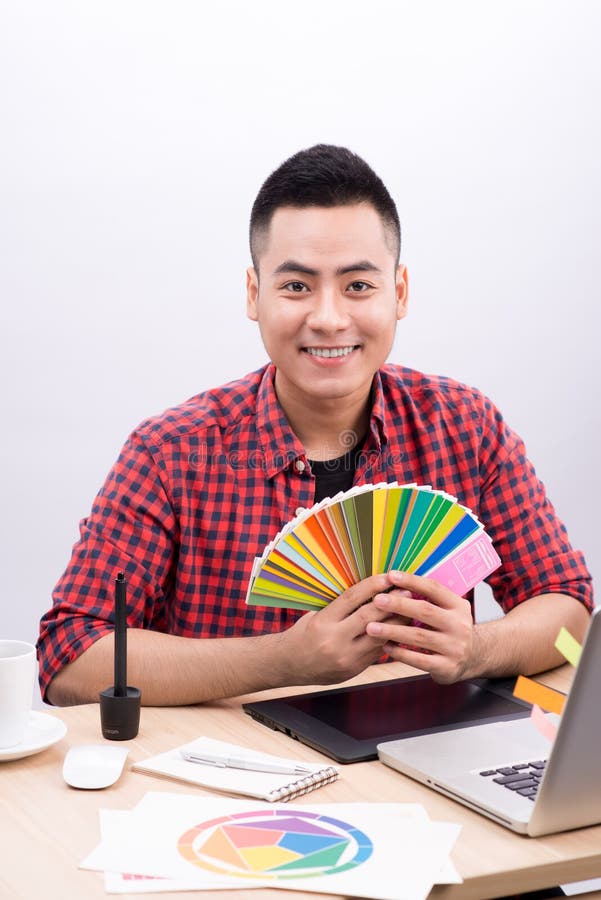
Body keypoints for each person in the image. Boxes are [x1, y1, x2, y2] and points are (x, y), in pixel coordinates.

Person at [38, 144, 593, 707]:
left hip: (418, 763)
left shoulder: (465, 427)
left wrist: (476, 648)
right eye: (297, 286)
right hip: (228, 777)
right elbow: (69, 656)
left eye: (357, 286)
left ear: (398, 293)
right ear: (255, 295)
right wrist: (280, 659)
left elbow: (568, 607)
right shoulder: (171, 451)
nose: (328, 319)